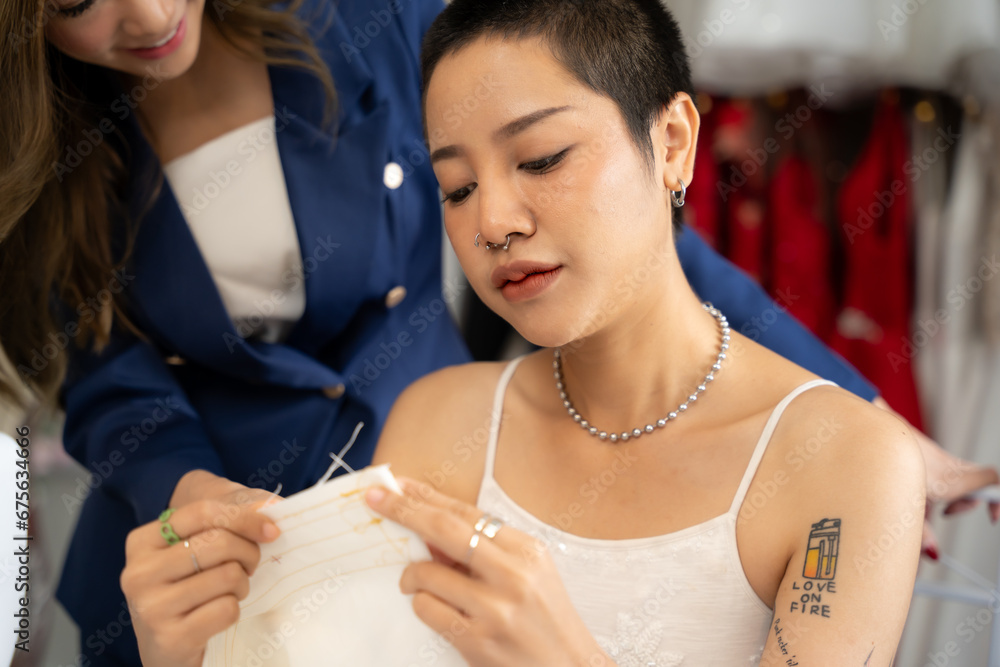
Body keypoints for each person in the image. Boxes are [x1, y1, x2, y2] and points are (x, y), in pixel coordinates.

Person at [0, 0, 991, 663]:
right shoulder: (438, 424)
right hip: (211, 559)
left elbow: (638, 226)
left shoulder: (370, 26)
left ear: (678, 142)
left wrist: (852, 405)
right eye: (455, 188)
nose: (494, 222)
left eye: (543, 158)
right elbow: (109, 378)